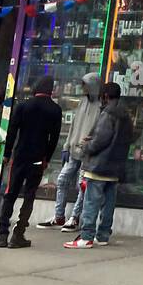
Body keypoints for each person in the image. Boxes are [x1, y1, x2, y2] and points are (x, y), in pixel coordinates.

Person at [0, 77, 62, 249]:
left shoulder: (23, 106)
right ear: (51, 90)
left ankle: (2, 234)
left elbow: (12, 131)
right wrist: (47, 158)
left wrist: (7, 154)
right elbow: (54, 139)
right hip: (38, 158)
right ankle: (19, 233)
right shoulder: (55, 109)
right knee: (29, 196)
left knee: (10, 195)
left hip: (20, 156)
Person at [64, 81, 132, 249]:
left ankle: (86, 236)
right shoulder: (126, 115)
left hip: (99, 165)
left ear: (106, 96)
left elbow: (101, 140)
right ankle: (103, 235)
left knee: (91, 201)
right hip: (115, 166)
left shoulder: (108, 113)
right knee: (109, 202)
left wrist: (86, 145)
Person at [36, 71, 102, 231]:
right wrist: (66, 145)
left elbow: (98, 130)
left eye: (86, 85)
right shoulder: (82, 102)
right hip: (73, 150)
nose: (83, 88)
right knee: (62, 180)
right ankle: (59, 216)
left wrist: (88, 145)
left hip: (87, 152)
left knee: (82, 185)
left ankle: (75, 218)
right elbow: (74, 125)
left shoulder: (100, 106)